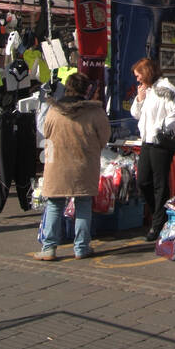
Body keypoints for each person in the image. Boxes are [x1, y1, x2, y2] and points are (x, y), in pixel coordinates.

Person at [36, 72, 110, 261]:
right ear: (87, 89)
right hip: (83, 163)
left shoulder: (53, 110)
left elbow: (46, 131)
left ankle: (49, 248)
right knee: (83, 205)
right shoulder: (95, 112)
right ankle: (81, 247)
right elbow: (104, 137)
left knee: (54, 205)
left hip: (57, 164)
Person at [130, 58, 175, 242]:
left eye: (138, 76)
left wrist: (161, 127)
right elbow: (136, 114)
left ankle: (158, 222)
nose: (137, 80)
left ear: (146, 73)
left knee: (160, 182)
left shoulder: (165, 89)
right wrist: (139, 98)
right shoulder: (148, 91)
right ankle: (158, 215)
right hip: (146, 140)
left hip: (160, 142)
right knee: (143, 180)